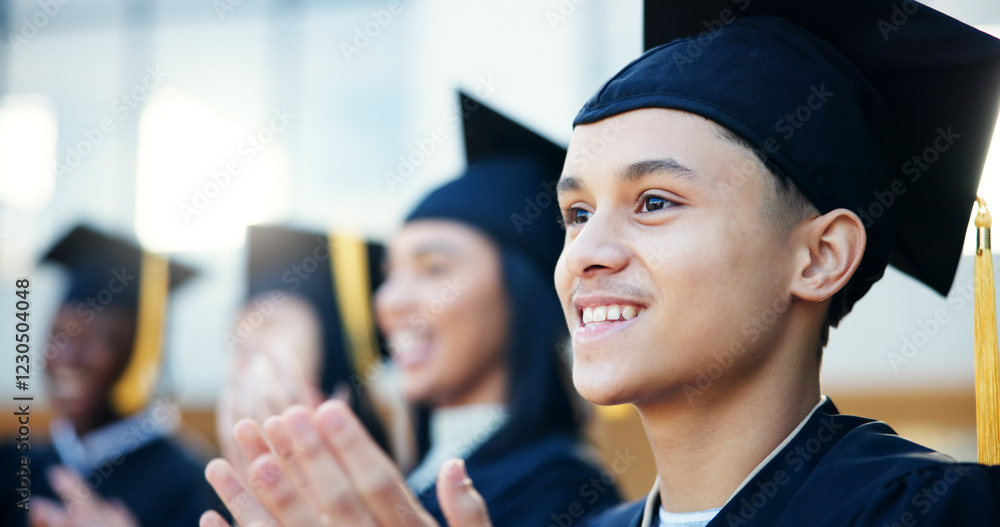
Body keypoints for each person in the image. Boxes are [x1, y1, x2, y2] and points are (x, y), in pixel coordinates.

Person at [197, 1, 1000, 525]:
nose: (585, 253)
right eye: (576, 213)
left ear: (820, 257)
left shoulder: (937, 513)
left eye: (654, 201)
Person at [199, 92, 622, 527]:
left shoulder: (560, 490)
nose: (389, 302)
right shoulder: (404, 477)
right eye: (390, 275)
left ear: (523, 295)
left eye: (434, 268)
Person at [0, 225, 221, 527]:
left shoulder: (193, 484)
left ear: (142, 352)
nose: (66, 358)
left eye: (95, 340)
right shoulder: (13, 464)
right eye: (57, 336)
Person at [215, 226, 398, 481]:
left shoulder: (402, 440)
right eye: (237, 333)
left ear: (329, 332)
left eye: (269, 323)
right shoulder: (229, 455)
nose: (247, 342)